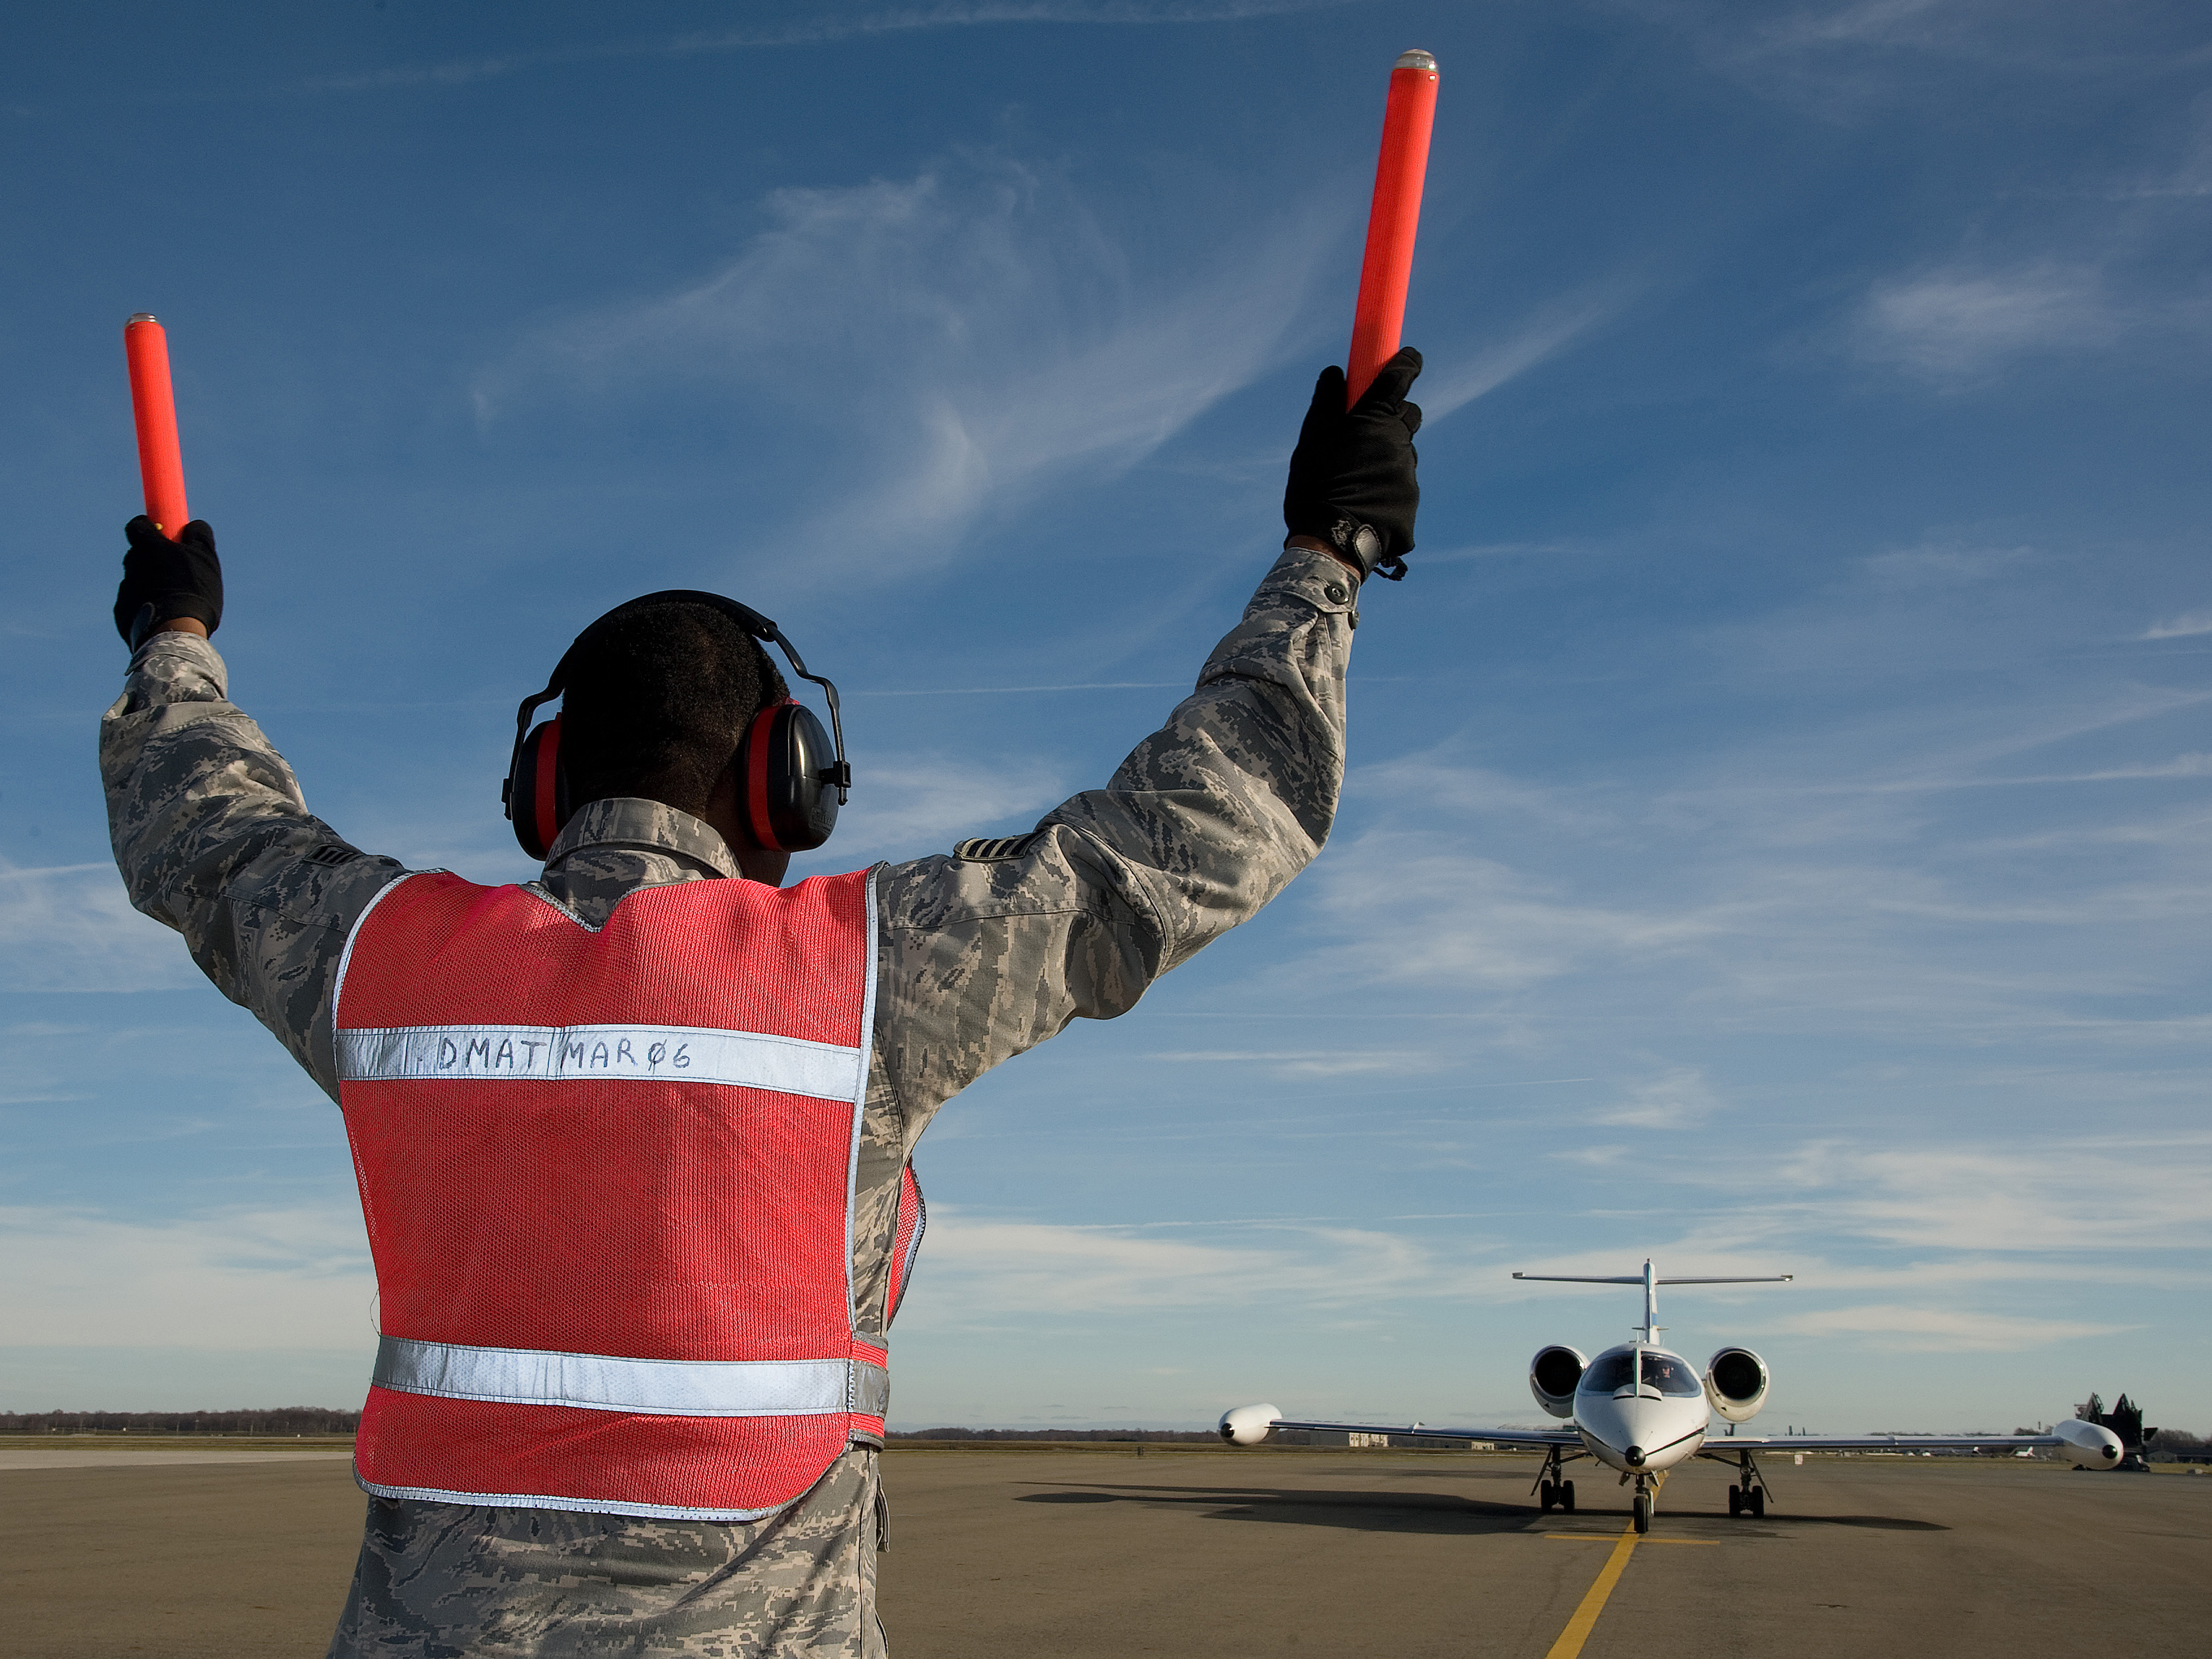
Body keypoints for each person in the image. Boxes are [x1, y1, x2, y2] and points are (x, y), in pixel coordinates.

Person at [99, 350, 1424, 1657]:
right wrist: (1329, 551)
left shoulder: (385, 961)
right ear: (783, 784)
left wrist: (175, 638)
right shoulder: (860, 970)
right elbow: (1208, 821)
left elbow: (206, 832)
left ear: (544, 785)